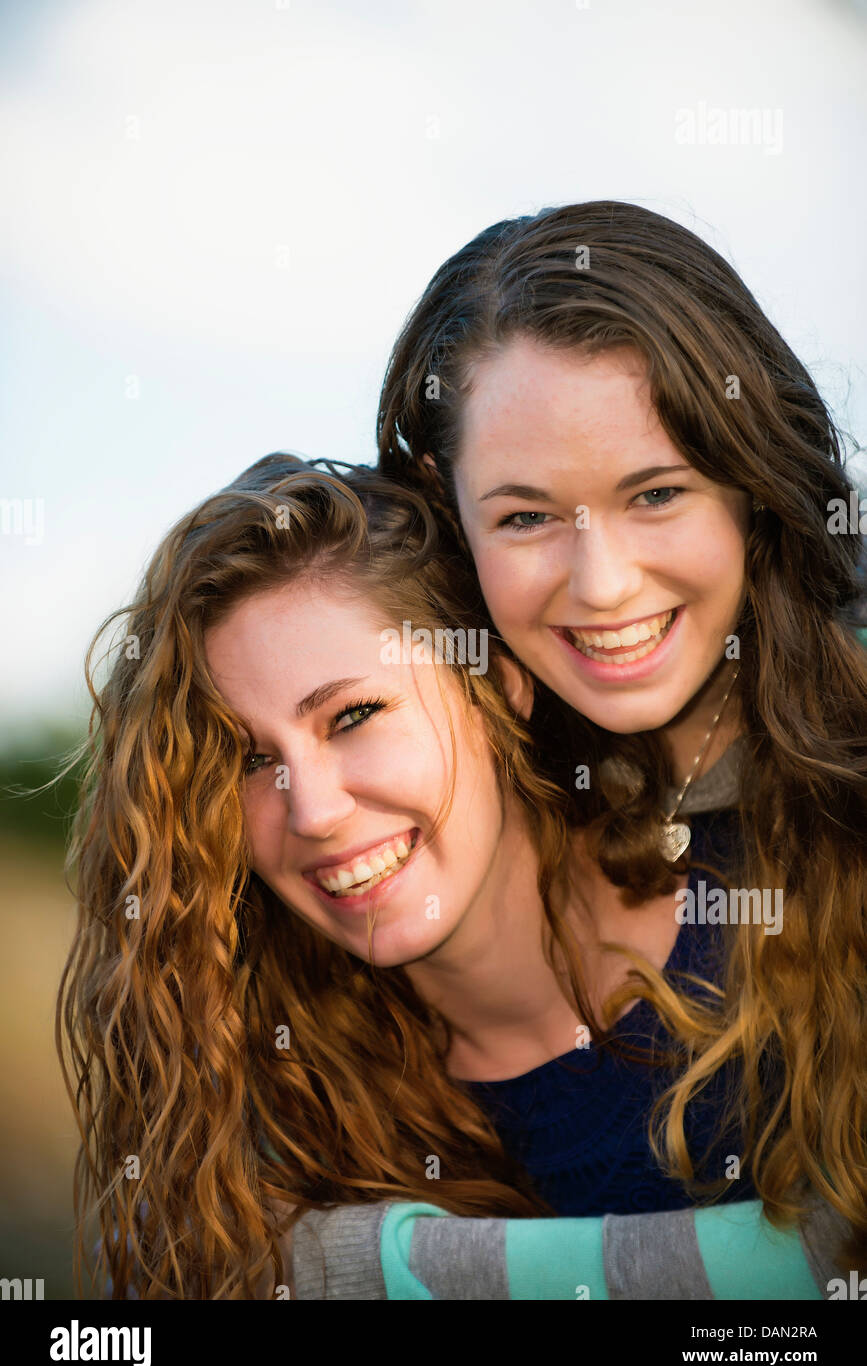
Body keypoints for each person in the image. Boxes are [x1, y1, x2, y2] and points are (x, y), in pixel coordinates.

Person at [58, 454, 855, 1299]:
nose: (313, 811)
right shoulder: (283, 1108)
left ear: (496, 681)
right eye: (249, 761)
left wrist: (388, 1269)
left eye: (353, 716)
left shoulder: (804, 890)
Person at [376, 200, 867, 1270]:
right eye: (525, 516)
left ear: (750, 481)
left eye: (656, 493)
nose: (602, 585)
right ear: (446, 516)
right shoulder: (436, 808)